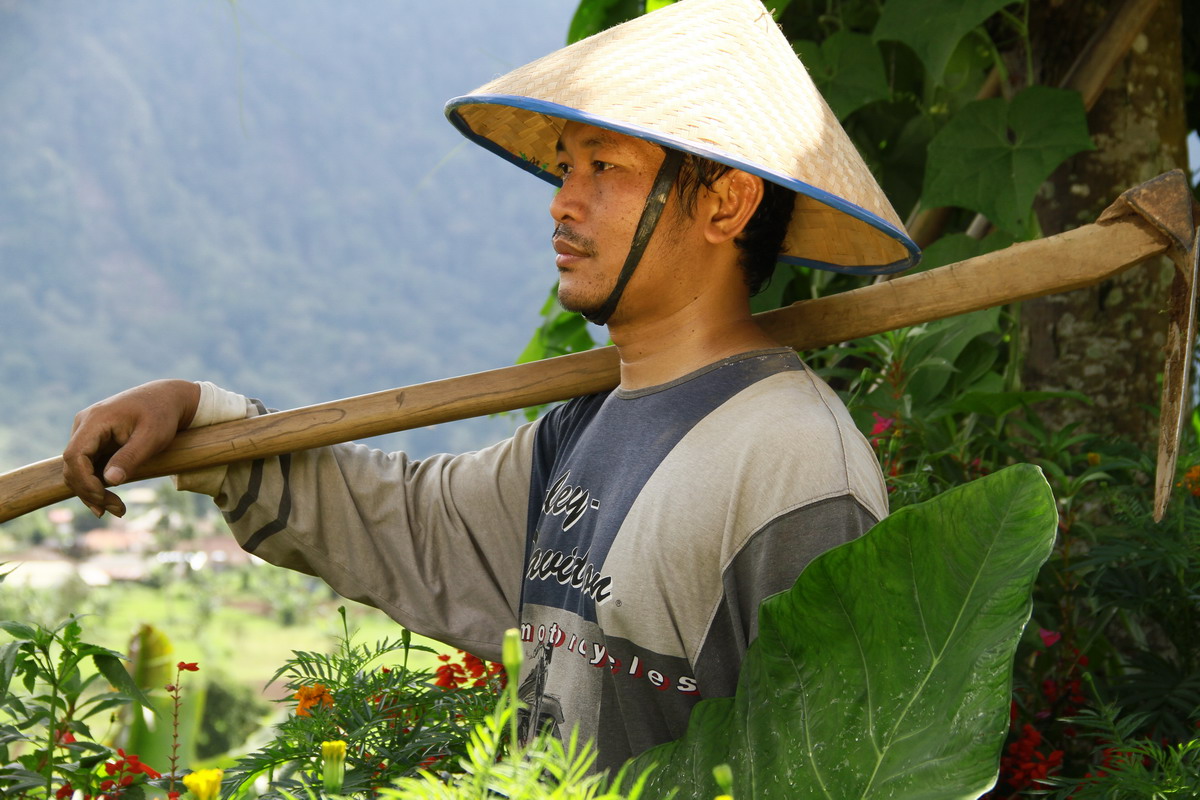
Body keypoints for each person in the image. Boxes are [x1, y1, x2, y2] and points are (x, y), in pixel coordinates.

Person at [62, 0, 918, 774]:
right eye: (565, 166)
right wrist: (202, 419)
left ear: (725, 205)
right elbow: (414, 527)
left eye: (604, 169)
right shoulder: (582, 431)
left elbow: (842, 760)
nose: (561, 202)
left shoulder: (794, 465)